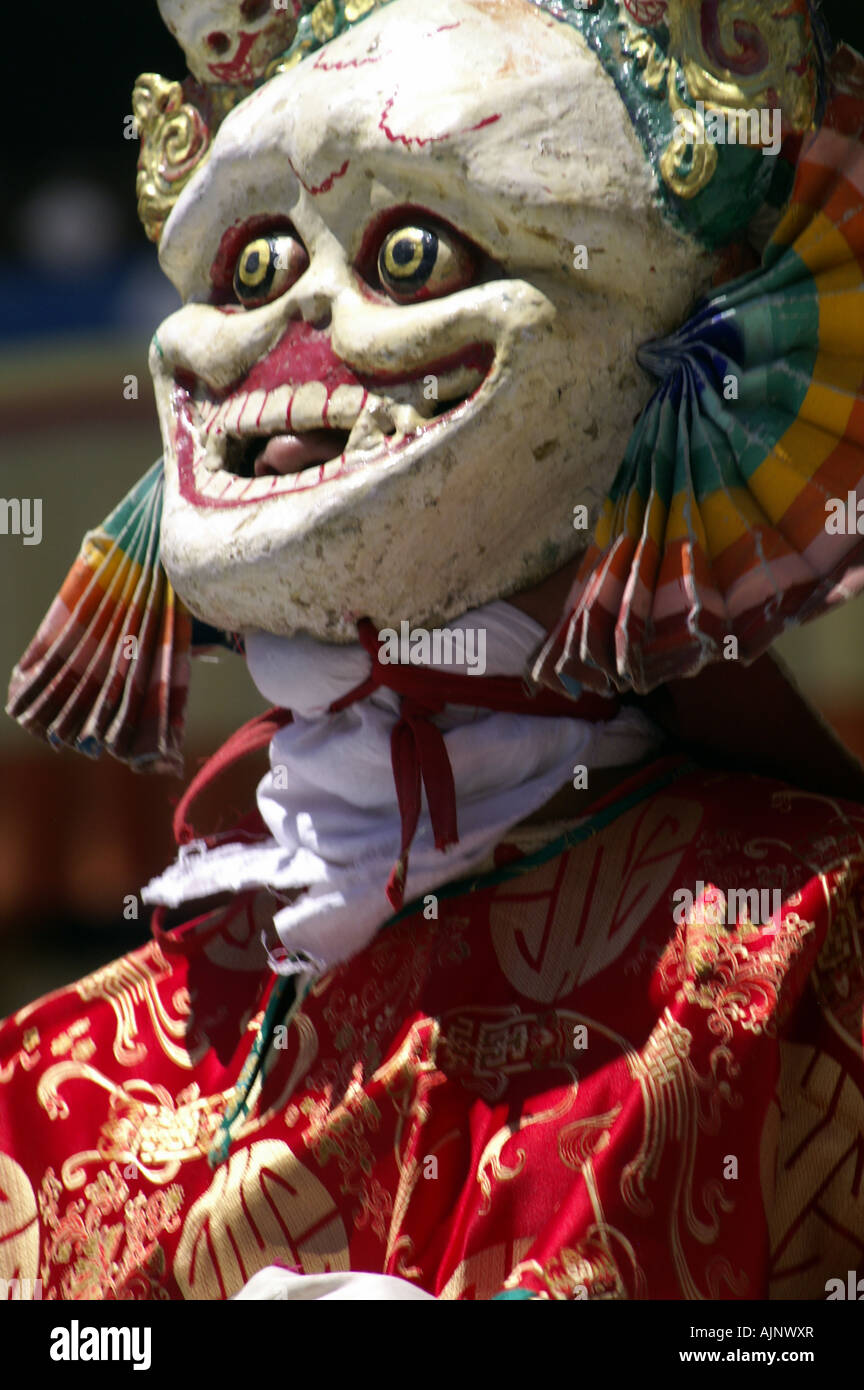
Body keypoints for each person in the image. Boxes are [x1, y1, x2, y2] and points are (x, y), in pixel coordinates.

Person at [2, 0, 864, 1300]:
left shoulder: (809, 953)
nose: (293, 326)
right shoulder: (57, 1078)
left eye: (408, 251)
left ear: (697, 351)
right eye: (246, 267)